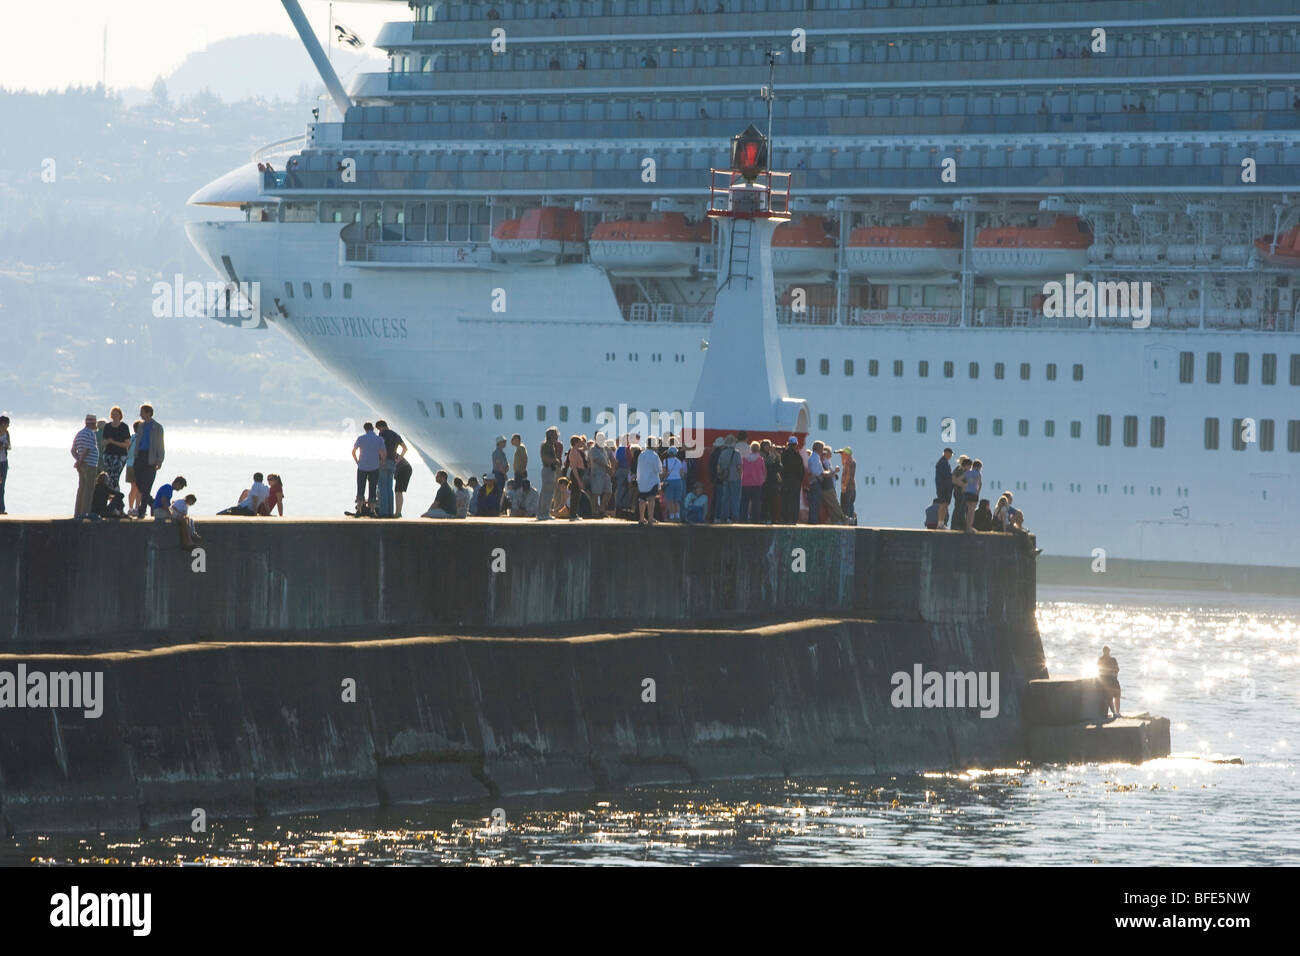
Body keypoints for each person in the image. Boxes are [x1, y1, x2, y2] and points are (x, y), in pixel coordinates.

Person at [132, 404, 165, 518]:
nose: (140, 414)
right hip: (140, 456)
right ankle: (152, 502)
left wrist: (160, 460)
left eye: (142, 412)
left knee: (147, 486)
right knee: (139, 483)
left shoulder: (157, 427)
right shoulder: (141, 426)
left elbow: (161, 445)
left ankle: (142, 510)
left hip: (151, 457)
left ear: (148, 413)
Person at [352, 421, 386, 515]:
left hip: (362, 466)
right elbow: (383, 454)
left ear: (365, 429)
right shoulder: (379, 439)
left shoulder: (361, 438)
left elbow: (353, 451)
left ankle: (359, 509)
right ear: (373, 428)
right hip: (374, 467)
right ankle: (372, 510)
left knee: (360, 488)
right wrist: (381, 463)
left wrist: (357, 462)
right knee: (372, 488)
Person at [376, 420, 407, 518]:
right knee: (389, 488)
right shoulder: (396, 435)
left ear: (380, 427)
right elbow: (405, 448)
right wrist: (399, 458)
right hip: (393, 463)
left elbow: (378, 449)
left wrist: (380, 460)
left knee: (382, 488)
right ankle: (390, 512)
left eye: (378, 428)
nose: (378, 431)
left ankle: (383, 512)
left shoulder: (381, 435)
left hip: (383, 462)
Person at [72, 413, 101, 517]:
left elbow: (73, 450)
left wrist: (78, 460)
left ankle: (78, 512)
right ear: (93, 423)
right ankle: (85, 513)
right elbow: (87, 449)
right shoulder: (90, 433)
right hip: (89, 464)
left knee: (81, 488)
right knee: (88, 489)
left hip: (82, 464)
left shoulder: (79, 433)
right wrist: (80, 460)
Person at [101, 407, 130, 493]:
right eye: (113, 413)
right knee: (109, 476)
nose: (114, 415)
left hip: (120, 455)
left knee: (115, 476)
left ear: (120, 415)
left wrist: (113, 442)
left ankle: (116, 496)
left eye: (116, 413)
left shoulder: (124, 427)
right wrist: (107, 442)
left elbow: (127, 444)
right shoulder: (107, 426)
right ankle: (110, 496)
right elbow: (103, 442)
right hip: (108, 454)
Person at [714, 435, 742, 523]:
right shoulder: (737, 454)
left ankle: (724, 517)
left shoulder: (723, 453)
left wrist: (720, 475)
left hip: (725, 479)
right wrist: (741, 477)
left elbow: (719, 466)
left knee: (725, 498)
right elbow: (739, 467)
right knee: (735, 499)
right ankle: (735, 517)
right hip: (735, 478)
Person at [635, 440, 663, 525]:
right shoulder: (655, 456)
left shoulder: (641, 454)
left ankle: (641, 518)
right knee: (651, 499)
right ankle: (650, 518)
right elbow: (658, 469)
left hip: (642, 480)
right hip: (652, 480)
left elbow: (638, 468)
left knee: (642, 500)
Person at [538, 426, 562, 521]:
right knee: (547, 493)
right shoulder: (547, 446)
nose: (557, 437)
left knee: (546, 492)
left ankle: (542, 513)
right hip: (548, 470)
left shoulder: (547, 445)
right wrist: (555, 461)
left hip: (548, 470)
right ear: (551, 436)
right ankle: (544, 514)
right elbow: (545, 459)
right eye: (556, 435)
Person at [740, 440, 765, 523]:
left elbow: (741, 469)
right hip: (757, 484)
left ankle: (743, 518)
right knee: (756, 503)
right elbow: (763, 471)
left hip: (745, 483)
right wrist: (762, 480)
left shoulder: (744, 458)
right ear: (758, 449)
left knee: (744, 502)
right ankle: (755, 519)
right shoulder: (760, 459)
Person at [780, 436, 803, 523]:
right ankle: (793, 519)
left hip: (785, 481)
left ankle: (785, 518)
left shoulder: (783, 454)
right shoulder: (797, 456)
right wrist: (799, 480)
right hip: (795, 482)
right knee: (794, 501)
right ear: (796, 445)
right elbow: (801, 470)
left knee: (785, 500)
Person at [565, 435, 587, 521]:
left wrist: (582, 442)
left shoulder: (577, 451)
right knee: (575, 495)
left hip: (579, 473)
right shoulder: (573, 452)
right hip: (576, 474)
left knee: (577, 495)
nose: (581, 443)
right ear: (575, 443)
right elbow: (574, 467)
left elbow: (585, 448)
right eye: (579, 442)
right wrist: (579, 480)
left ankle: (574, 513)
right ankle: (573, 514)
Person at [662, 446, 687, 521]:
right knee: (677, 500)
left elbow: (664, 473)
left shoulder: (665, 461)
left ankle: (672, 517)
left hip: (669, 481)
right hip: (678, 481)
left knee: (670, 500)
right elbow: (682, 474)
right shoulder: (678, 461)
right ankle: (677, 516)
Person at [1097, 646, 1122, 719]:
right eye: (1105, 651)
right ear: (1103, 651)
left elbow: (1117, 669)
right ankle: (1114, 713)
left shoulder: (1113, 659)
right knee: (1110, 698)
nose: (1106, 652)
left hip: (1113, 680)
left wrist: (1111, 672)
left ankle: (1117, 712)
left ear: (1109, 651)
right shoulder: (1100, 660)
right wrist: (1110, 671)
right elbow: (1099, 670)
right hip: (1106, 681)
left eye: (1107, 651)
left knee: (1117, 696)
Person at [963, 458, 983, 533]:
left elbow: (963, 480)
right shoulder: (978, 473)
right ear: (978, 467)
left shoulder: (967, 472)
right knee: (972, 511)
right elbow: (979, 483)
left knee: (968, 511)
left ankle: (967, 527)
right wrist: (978, 492)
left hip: (967, 493)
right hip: (974, 493)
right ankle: (970, 527)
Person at [934, 448, 954, 528]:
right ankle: (940, 523)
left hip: (945, 486)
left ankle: (941, 523)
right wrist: (952, 478)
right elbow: (946, 475)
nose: (951, 456)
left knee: (945, 504)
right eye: (950, 454)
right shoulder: (942, 462)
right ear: (945, 453)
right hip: (943, 487)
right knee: (942, 504)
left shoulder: (945, 462)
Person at [838, 447, 857, 523]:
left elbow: (848, 474)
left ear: (847, 454)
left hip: (847, 488)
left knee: (845, 506)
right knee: (850, 506)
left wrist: (844, 486)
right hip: (852, 488)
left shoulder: (848, 462)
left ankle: (846, 522)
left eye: (843, 454)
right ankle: (851, 521)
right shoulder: (853, 461)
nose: (842, 455)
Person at [0, 414, 10, 515]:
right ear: (2, 423)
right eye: (7, 424)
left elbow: (9, 446)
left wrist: (5, 445)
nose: (8, 426)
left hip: (4, 462)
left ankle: (1, 509)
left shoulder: (6, 433)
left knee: (2, 487)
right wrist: (3, 445)